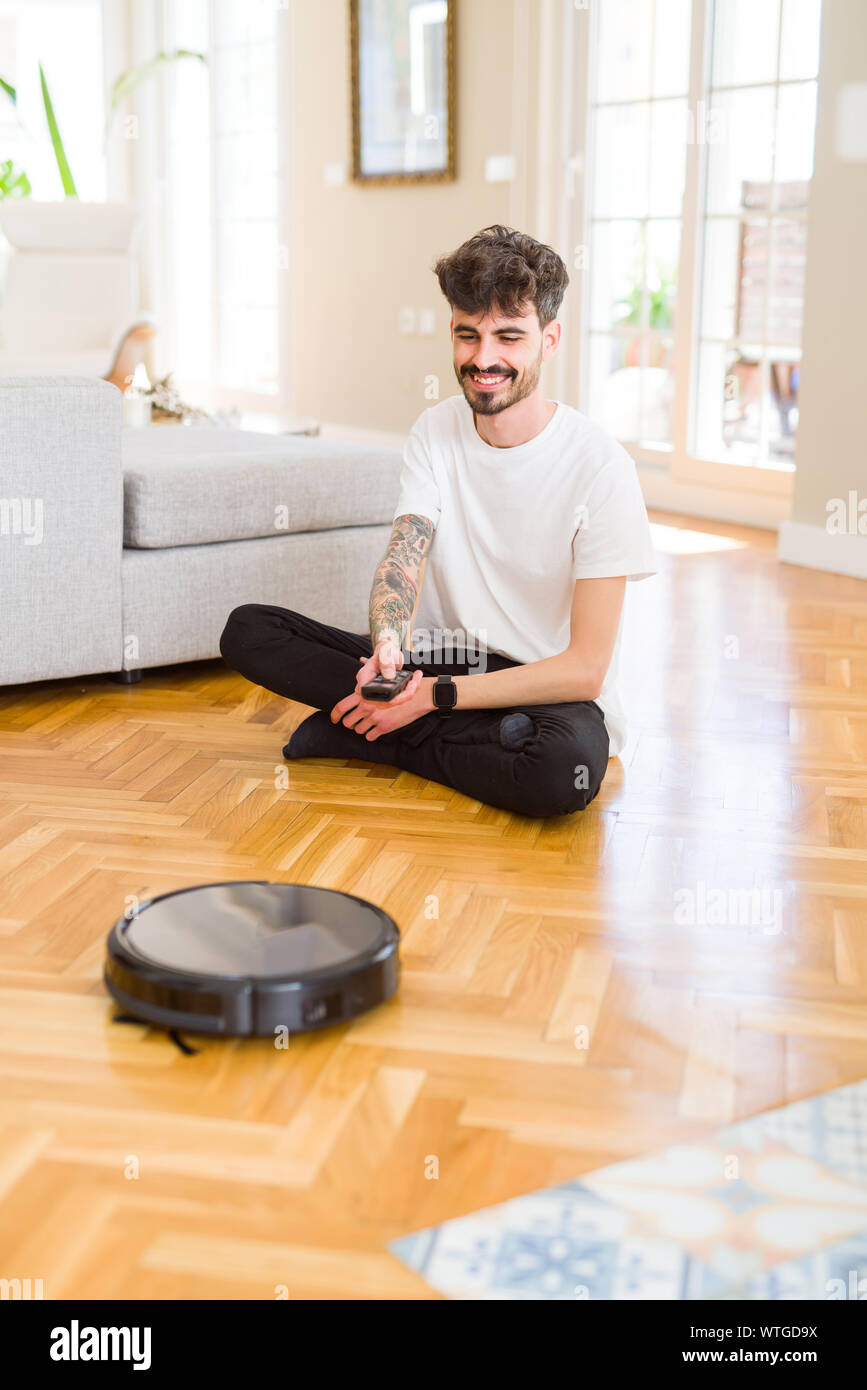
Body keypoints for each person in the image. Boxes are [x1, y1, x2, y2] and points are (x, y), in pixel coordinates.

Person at [219, 225, 657, 818]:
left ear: (550, 339)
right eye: (467, 335)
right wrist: (389, 647)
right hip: (441, 653)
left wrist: (430, 699)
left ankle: (382, 739)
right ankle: (416, 723)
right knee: (248, 631)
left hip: (541, 685)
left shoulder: (602, 468)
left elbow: (584, 670)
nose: (484, 359)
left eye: (509, 337)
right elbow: (405, 554)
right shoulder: (436, 430)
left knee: (562, 775)